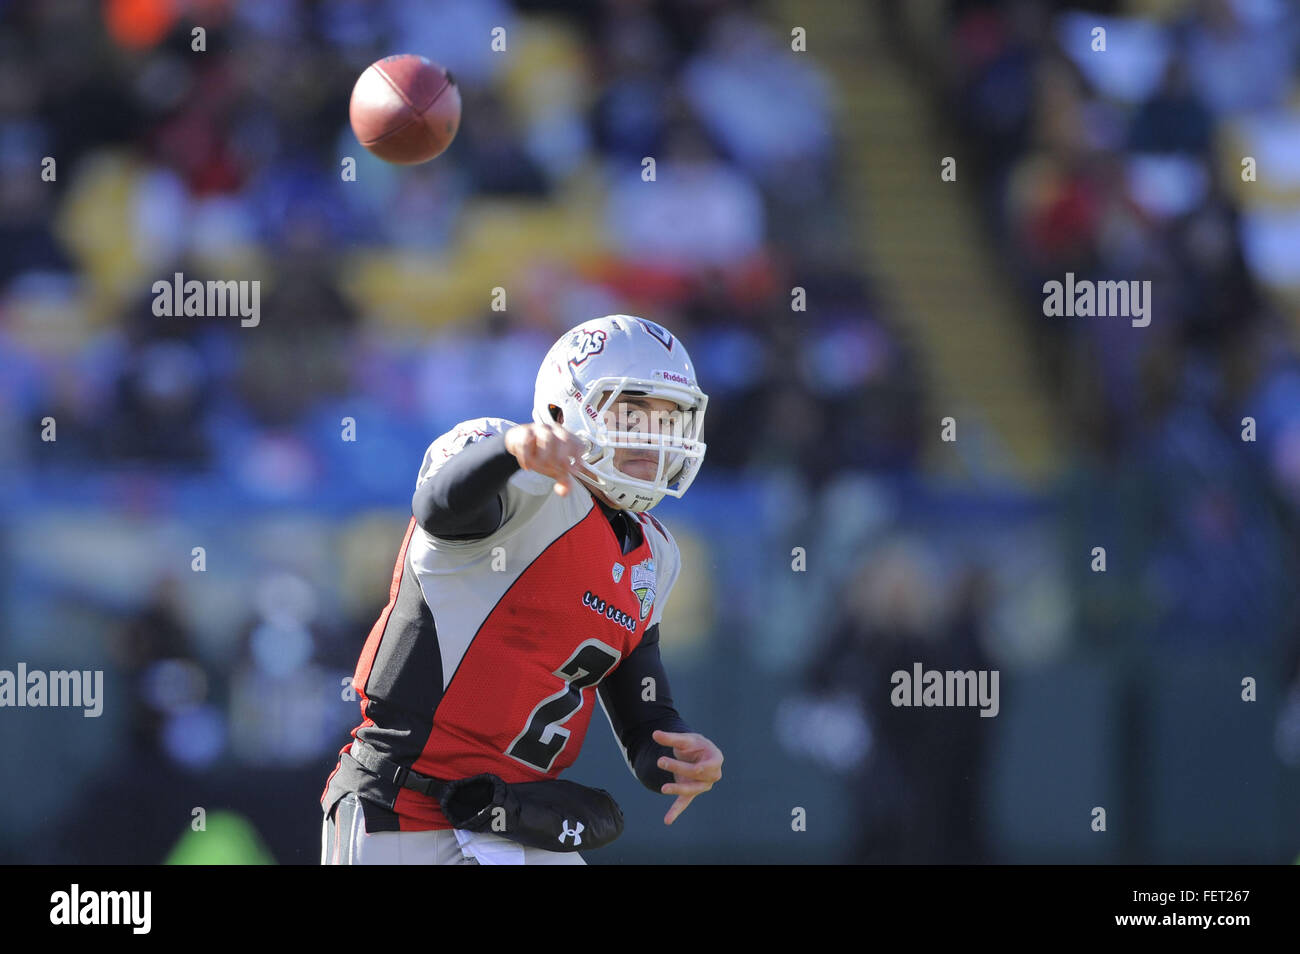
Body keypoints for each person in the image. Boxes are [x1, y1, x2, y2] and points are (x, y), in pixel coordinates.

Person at [321, 314, 724, 864]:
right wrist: (510, 451)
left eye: (667, 419)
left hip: (517, 818)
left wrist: (678, 757)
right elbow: (439, 508)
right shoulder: (516, 479)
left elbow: (645, 717)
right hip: (404, 809)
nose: (650, 436)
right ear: (566, 408)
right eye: (631, 412)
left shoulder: (656, 553)